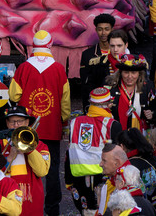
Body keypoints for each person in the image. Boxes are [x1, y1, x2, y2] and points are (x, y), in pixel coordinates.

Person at [9, 30, 70, 216]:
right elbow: (65, 103)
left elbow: (13, 95)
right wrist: (64, 122)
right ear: (50, 45)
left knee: (26, 169)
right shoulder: (59, 69)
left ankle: (26, 206)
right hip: (52, 128)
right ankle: (52, 210)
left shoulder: (23, 68)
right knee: (51, 170)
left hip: (25, 130)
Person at [66, 87, 120, 216]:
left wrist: (68, 180)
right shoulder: (112, 125)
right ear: (109, 104)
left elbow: (69, 152)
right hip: (104, 179)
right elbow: (119, 155)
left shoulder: (74, 122)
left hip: (77, 177)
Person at [0, 105, 49, 216]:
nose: (16, 125)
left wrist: (29, 149)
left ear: (27, 122)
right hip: (7, 199)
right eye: (12, 122)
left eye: (19, 121)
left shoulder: (40, 146)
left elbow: (42, 172)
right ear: (7, 123)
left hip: (31, 202)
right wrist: (9, 158)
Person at [79, 14, 115, 110]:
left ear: (112, 29)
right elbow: (85, 84)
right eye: (100, 29)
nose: (103, 33)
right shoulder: (87, 55)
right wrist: (86, 107)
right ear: (96, 30)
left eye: (106, 29)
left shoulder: (119, 52)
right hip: (97, 102)